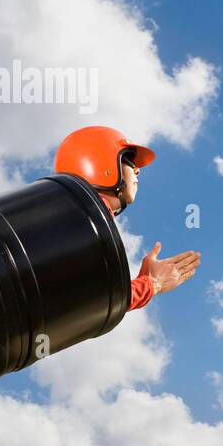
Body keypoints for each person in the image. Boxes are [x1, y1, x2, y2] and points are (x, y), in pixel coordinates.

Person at [54, 125, 201, 310]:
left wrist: (148, 283)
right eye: (131, 161)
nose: (138, 171)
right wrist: (153, 283)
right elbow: (94, 302)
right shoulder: (83, 220)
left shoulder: (72, 215)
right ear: (101, 163)